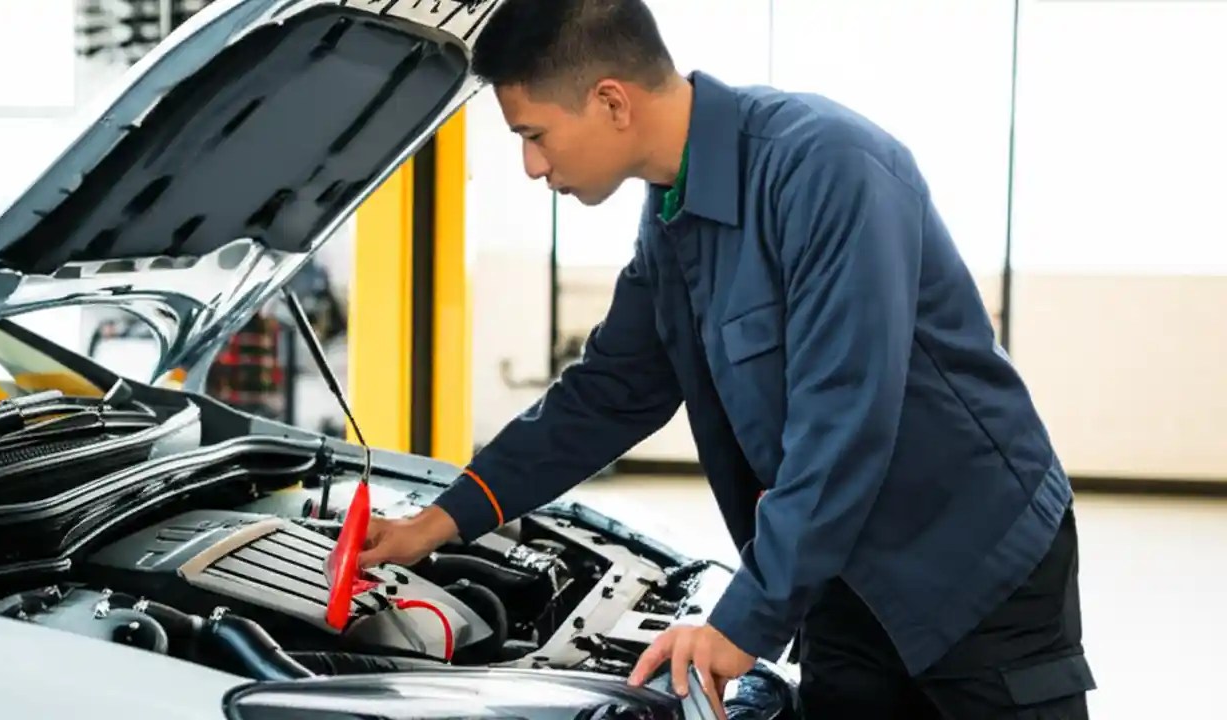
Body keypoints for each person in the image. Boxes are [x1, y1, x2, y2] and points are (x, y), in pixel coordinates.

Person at [353, 1, 1095, 716]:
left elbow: (844, 420)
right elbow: (610, 390)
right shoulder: (673, 211)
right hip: (835, 566)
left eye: (534, 133)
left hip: (973, 560)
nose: (530, 165)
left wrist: (745, 621)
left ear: (611, 102)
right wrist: (441, 519)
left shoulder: (827, 168)